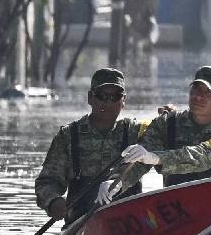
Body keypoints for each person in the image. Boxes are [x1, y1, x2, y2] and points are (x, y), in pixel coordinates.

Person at [112, 65, 211, 191]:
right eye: (195, 89)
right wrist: (118, 182)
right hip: (174, 208)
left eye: (207, 92)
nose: (198, 97)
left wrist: (155, 158)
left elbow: (203, 157)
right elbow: (140, 160)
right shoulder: (166, 123)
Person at [34, 68, 142, 224]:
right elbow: (47, 182)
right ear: (90, 98)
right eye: (102, 96)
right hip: (81, 224)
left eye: (115, 97)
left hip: (130, 224)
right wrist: (53, 202)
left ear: (123, 100)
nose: (108, 102)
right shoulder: (69, 136)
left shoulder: (137, 133)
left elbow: (166, 156)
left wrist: (169, 120)